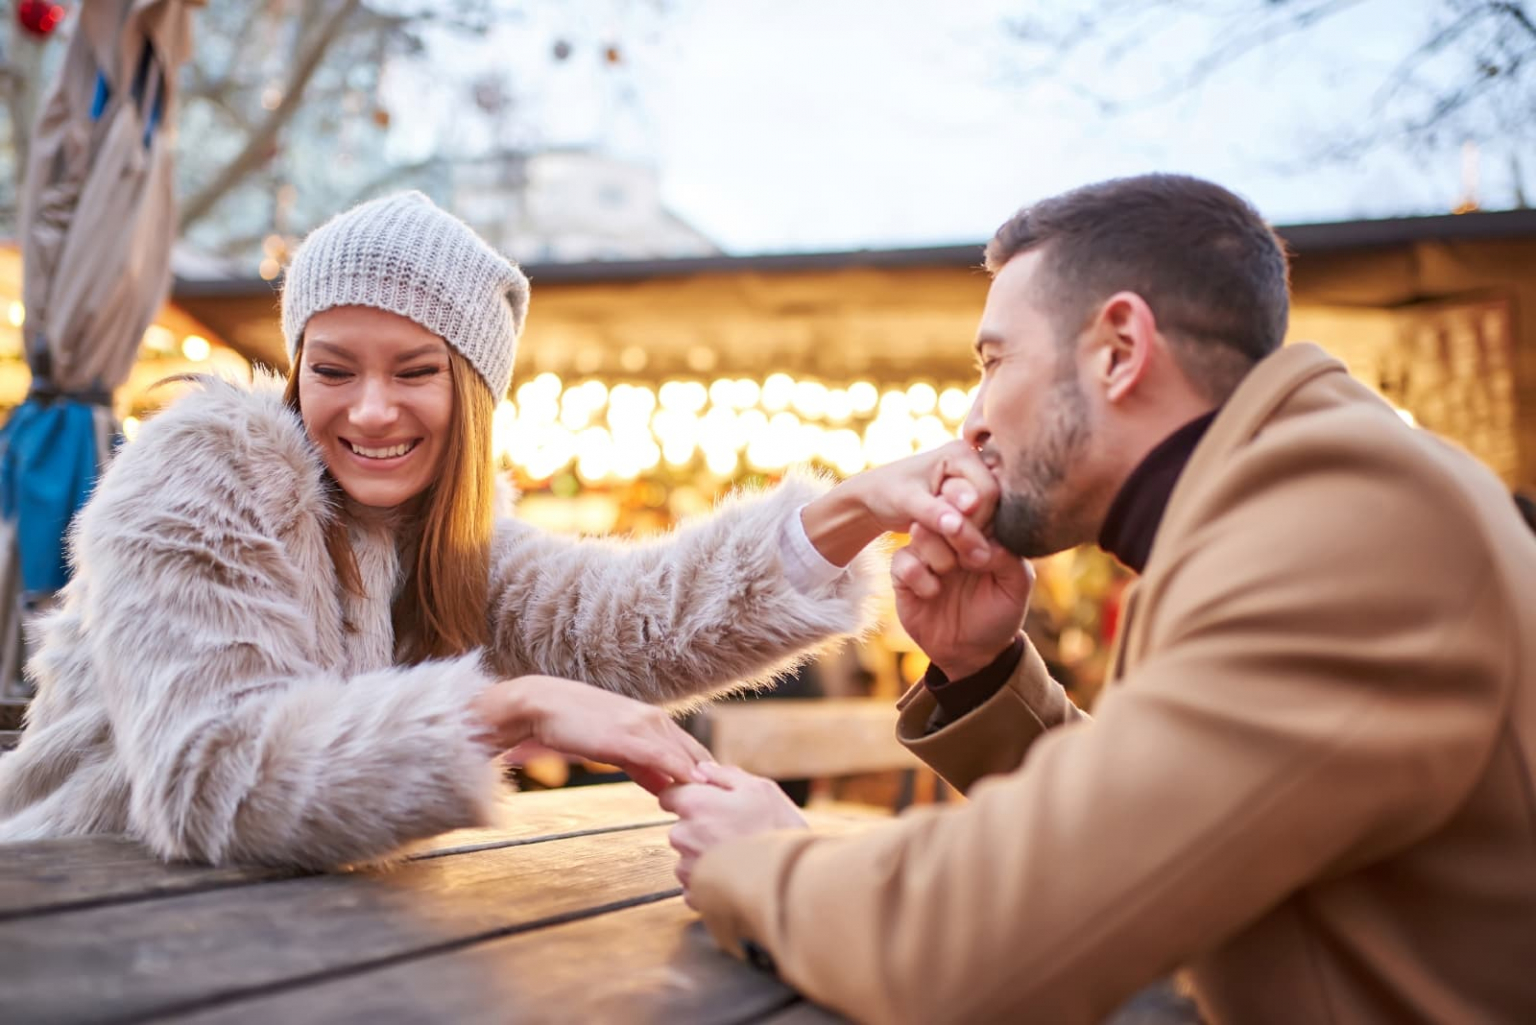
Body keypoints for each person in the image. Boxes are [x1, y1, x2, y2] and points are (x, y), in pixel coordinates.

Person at [661, 174, 1536, 1023]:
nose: (972, 420)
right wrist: (984, 671)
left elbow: (983, 951)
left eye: (995, 360)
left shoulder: (1346, 526)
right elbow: (1174, 835)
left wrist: (765, 863)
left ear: (1120, 350)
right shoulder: (1299, 494)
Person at [0, 191, 996, 870]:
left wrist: (863, 499)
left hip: (295, 933)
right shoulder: (204, 471)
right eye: (335, 368)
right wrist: (510, 711)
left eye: (415, 370)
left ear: (471, 393)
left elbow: (632, 621)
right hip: (82, 903)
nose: (370, 409)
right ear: (296, 365)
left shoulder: (445, 531)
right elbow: (212, 777)